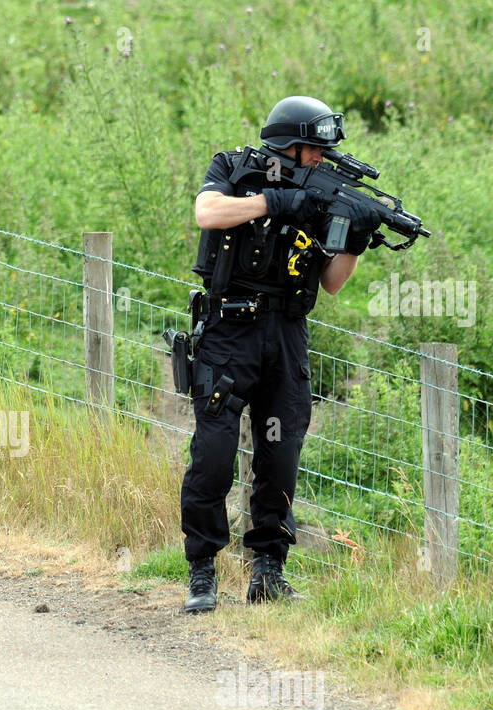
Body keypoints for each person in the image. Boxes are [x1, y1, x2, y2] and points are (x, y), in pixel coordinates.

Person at [181, 95, 381, 613]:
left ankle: (268, 572)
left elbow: (332, 284)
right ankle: (202, 571)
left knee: (281, 455)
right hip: (229, 331)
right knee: (213, 455)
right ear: (286, 148)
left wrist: (353, 239)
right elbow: (207, 212)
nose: (319, 160)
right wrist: (273, 203)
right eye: (312, 151)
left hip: (287, 336)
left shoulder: (321, 198)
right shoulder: (232, 166)